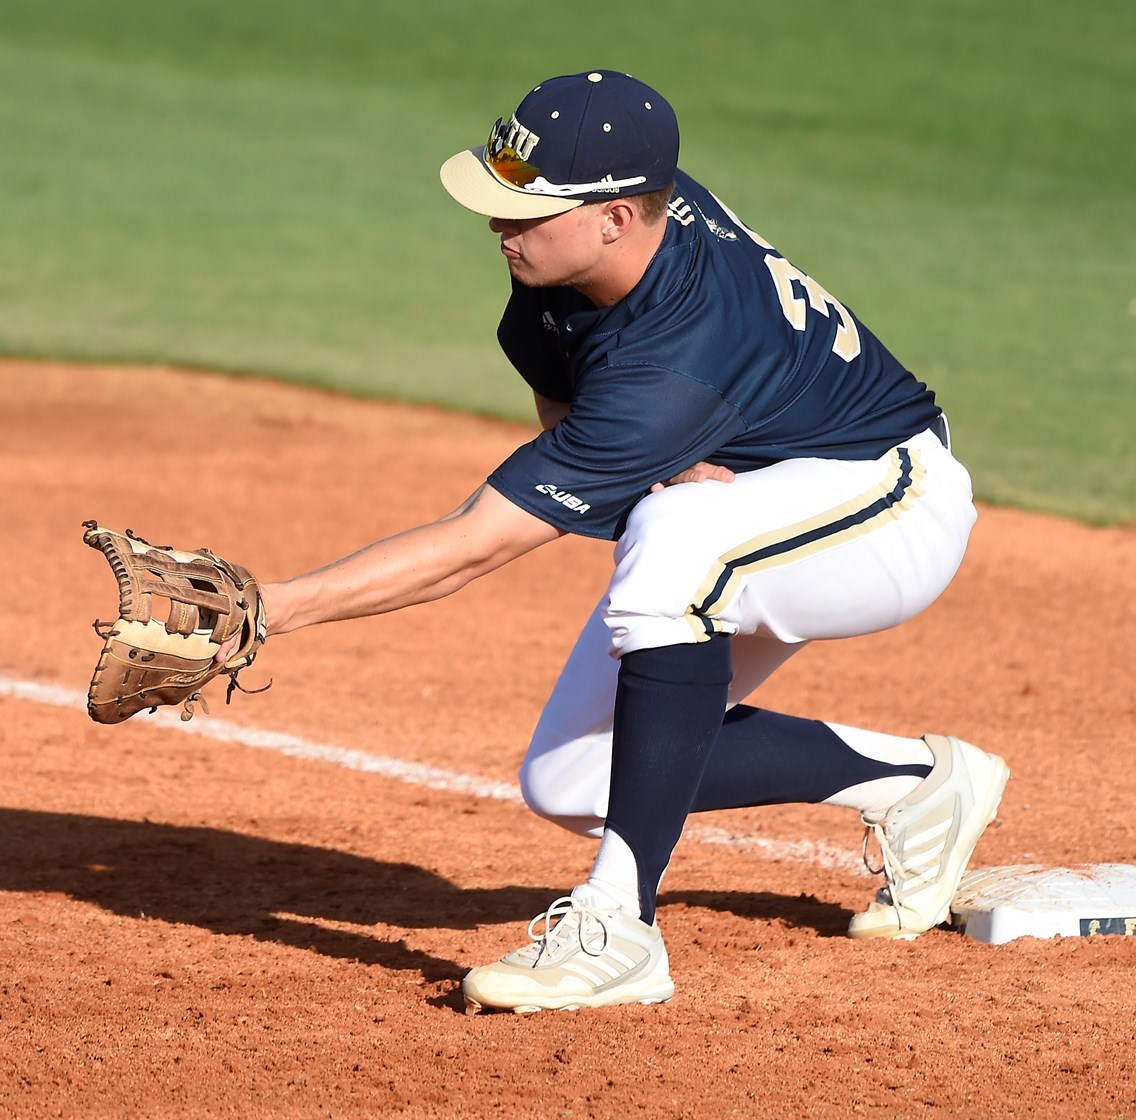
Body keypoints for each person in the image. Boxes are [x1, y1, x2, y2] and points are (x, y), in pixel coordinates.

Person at [246, 69, 1009, 1012]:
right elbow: (572, 416)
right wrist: (636, 473)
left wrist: (264, 609)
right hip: (766, 489)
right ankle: (921, 781)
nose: (498, 226)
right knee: (573, 778)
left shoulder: (673, 358)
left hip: (888, 502)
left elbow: (477, 543)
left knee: (673, 536)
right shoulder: (602, 235)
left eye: (525, 208)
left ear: (614, 217)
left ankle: (621, 928)